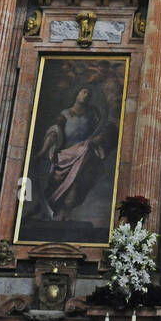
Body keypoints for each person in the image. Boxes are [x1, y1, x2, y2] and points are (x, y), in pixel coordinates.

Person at [33, 87, 107, 221]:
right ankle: (46, 212)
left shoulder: (91, 116)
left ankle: (65, 214)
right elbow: (55, 131)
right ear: (76, 94)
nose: (86, 95)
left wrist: (97, 139)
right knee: (54, 184)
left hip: (83, 155)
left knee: (76, 186)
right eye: (84, 92)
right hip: (66, 155)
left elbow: (98, 132)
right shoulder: (65, 114)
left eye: (89, 94)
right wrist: (43, 150)